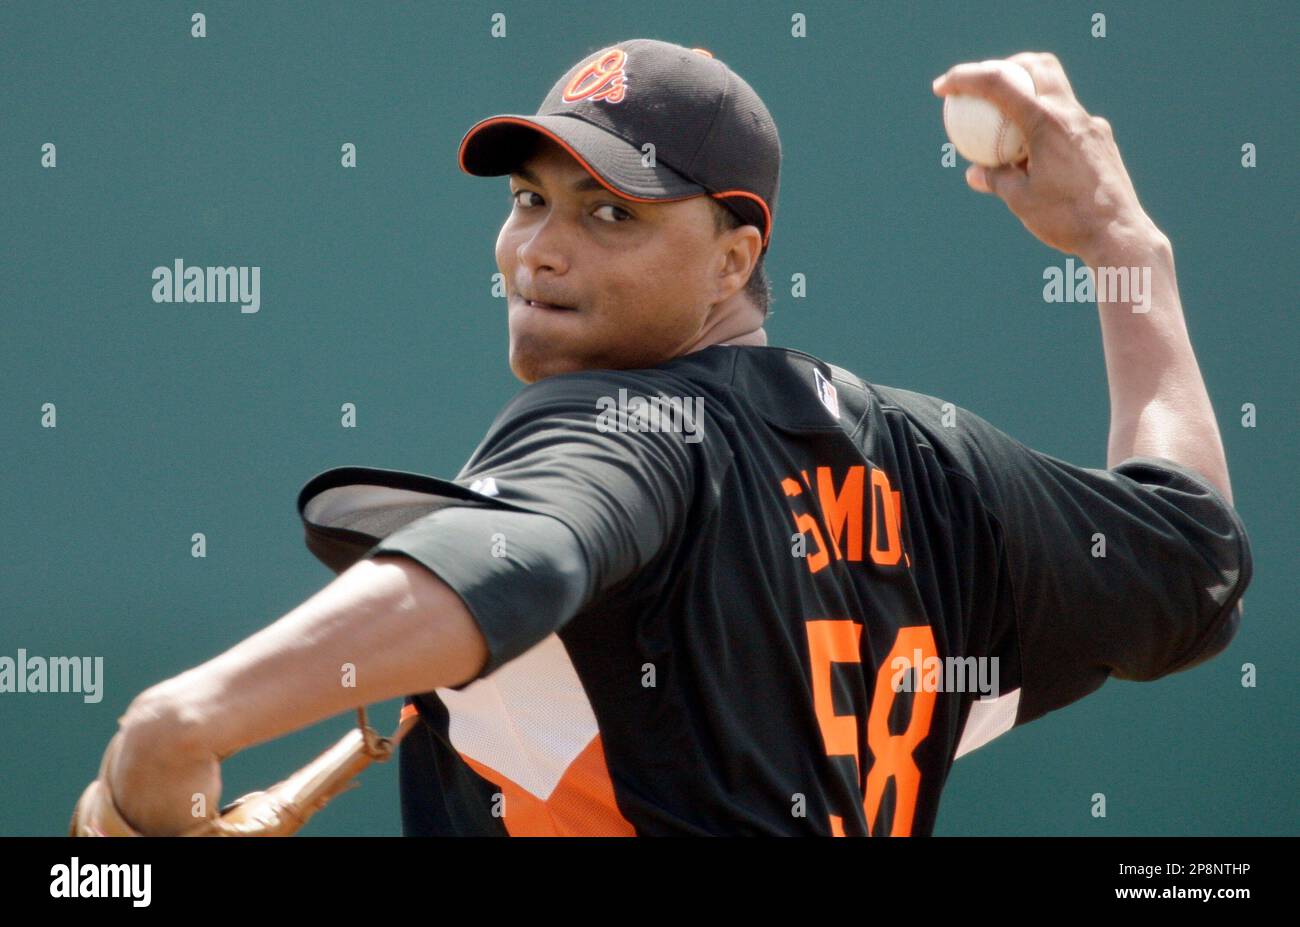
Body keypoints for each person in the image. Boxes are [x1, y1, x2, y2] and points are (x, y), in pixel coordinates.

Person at [97, 40, 1250, 836]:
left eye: (611, 214)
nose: (540, 251)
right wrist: (1124, 248)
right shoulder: (937, 469)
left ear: (735, 258)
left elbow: (525, 555)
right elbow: (1195, 559)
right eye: (528, 199)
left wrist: (191, 716)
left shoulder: (622, 427)